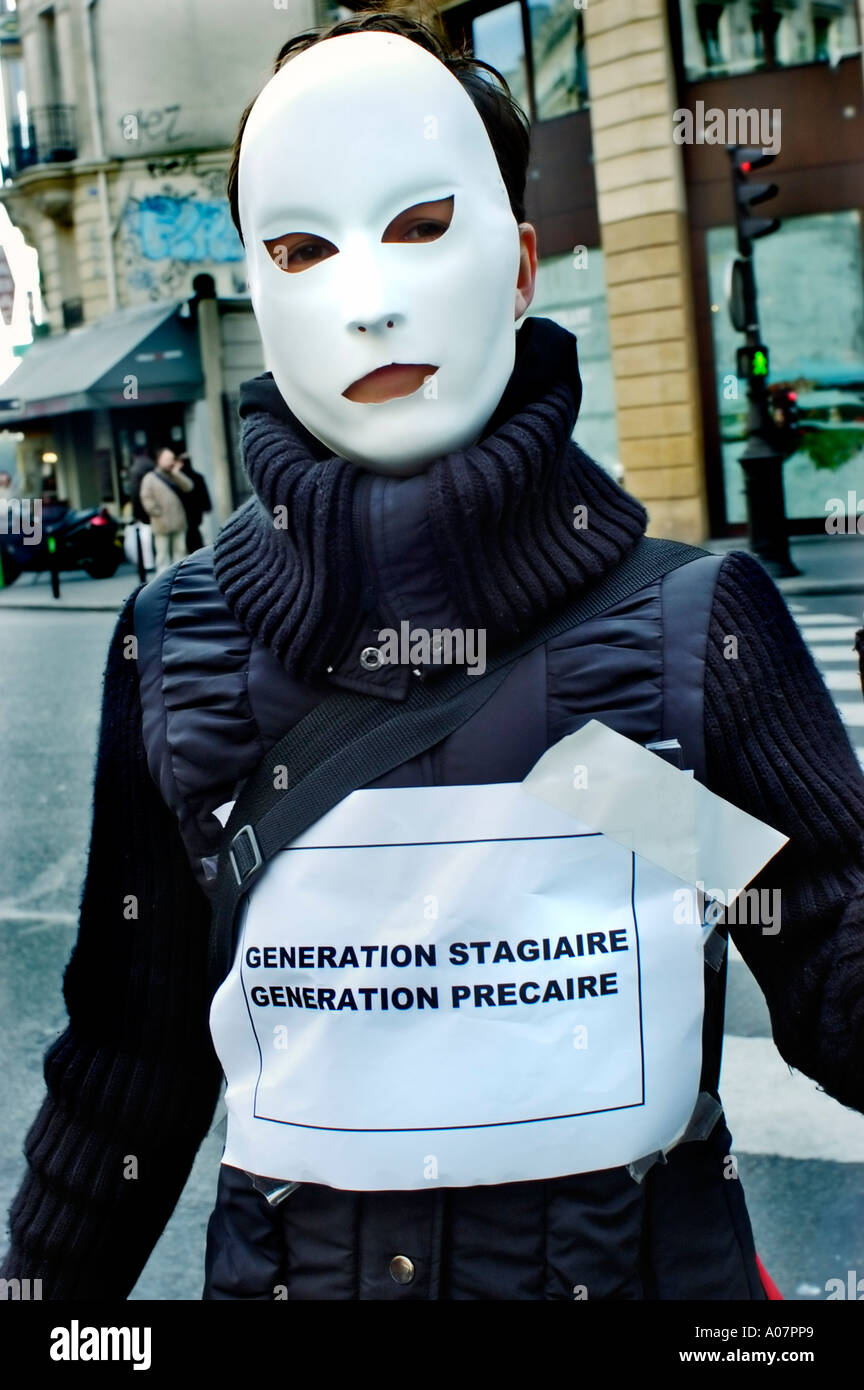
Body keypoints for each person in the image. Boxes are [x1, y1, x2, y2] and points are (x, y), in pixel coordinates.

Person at [1, 10, 863, 1303]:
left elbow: (823, 955)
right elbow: (130, 1067)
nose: (370, 298)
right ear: (257, 284)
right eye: (303, 247)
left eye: (418, 226)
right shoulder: (179, 651)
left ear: (521, 266)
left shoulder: (687, 641)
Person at [138, 446, 194, 574]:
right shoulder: (150, 478)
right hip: (161, 523)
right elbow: (146, 498)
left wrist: (177, 473)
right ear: (159, 460)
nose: (170, 461)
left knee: (180, 553)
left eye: (172, 459)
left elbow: (189, 487)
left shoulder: (174, 475)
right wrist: (157, 513)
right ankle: (163, 581)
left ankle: (181, 578)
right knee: (162, 556)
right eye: (167, 459)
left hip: (178, 521)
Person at [176, 452, 212, 554]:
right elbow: (204, 493)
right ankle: (197, 550)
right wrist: (207, 506)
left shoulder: (180, 478)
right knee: (194, 531)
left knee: (190, 532)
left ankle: (193, 550)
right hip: (196, 509)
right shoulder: (197, 476)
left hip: (186, 509)